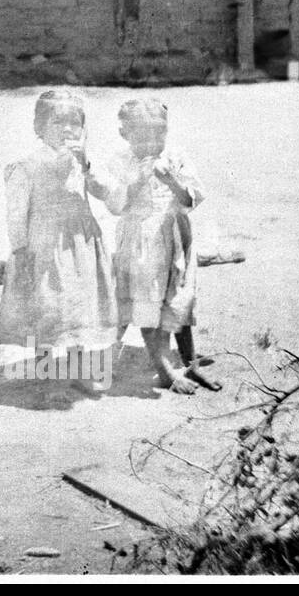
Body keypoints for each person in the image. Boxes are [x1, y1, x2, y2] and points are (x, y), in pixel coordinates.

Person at [0, 89, 116, 394]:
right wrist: (21, 252)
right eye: (56, 122)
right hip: (45, 249)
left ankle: (76, 371)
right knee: (47, 311)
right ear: (38, 127)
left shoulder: (82, 162)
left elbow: (107, 194)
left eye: (74, 123)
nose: (66, 129)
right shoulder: (25, 166)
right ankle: (48, 377)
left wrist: (87, 165)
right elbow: (16, 215)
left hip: (82, 246)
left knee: (78, 309)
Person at [96, 98, 217, 394]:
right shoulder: (119, 161)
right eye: (143, 135)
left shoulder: (175, 157)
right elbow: (116, 204)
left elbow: (191, 200)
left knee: (180, 297)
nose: (153, 142)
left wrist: (172, 181)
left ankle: (189, 361)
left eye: (159, 133)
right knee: (147, 299)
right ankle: (164, 368)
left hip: (174, 234)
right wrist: (140, 178)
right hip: (139, 239)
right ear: (126, 134)